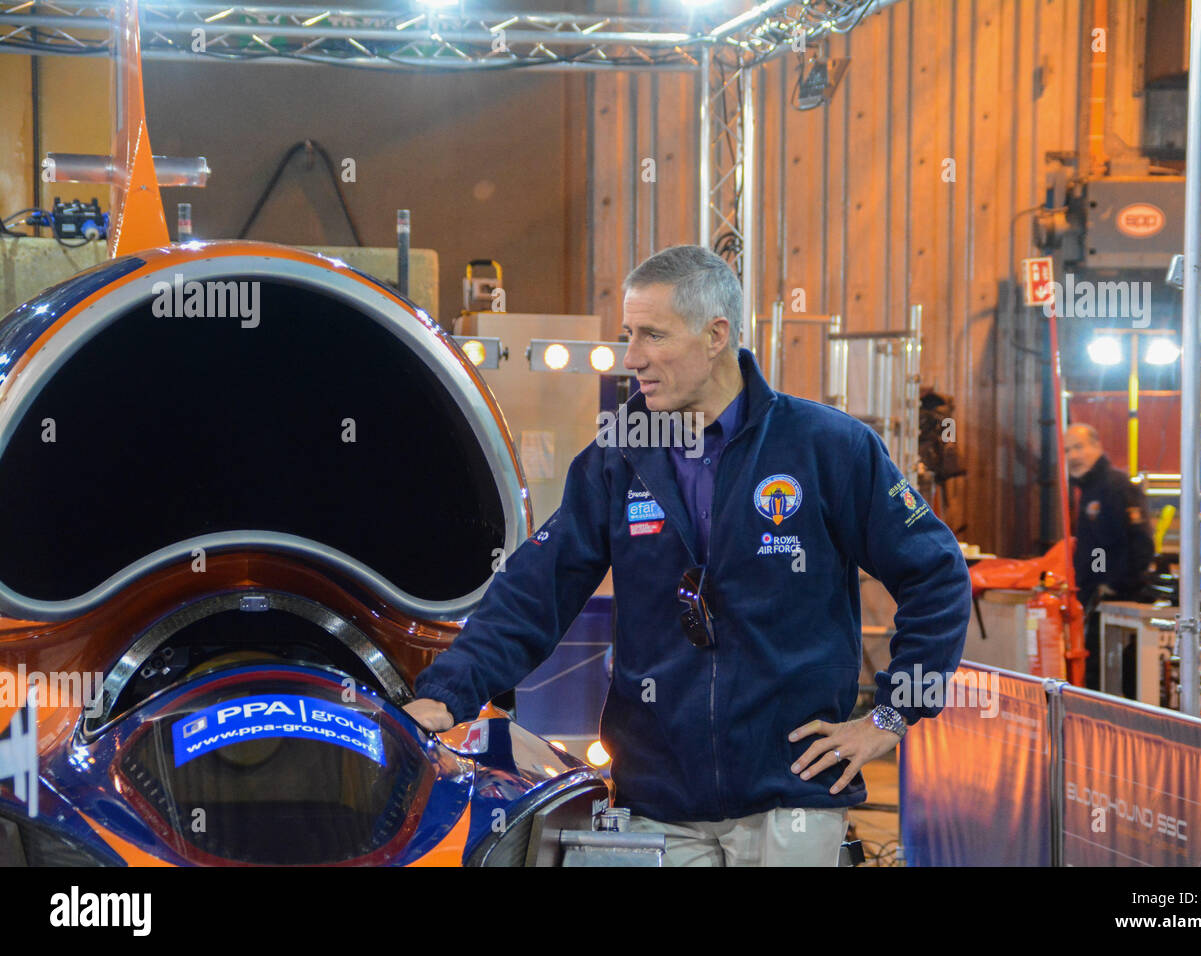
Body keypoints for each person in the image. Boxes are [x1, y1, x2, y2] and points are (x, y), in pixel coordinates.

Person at [404, 245, 971, 866]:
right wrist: (452, 690)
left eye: (653, 335)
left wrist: (890, 716)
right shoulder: (617, 457)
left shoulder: (826, 448)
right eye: (628, 334)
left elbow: (938, 574)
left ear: (715, 335)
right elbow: (537, 586)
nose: (632, 358)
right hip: (656, 804)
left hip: (791, 800)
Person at [1064, 423, 1155, 692]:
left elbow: (1141, 542)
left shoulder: (1116, 486)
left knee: (1106, 676)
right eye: (1067, 450)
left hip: (1115, 602)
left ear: (1097, 446)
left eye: (1079, 447)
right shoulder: (1086, 491)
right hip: (1092, 600)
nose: (1072, 456)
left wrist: (1114, 585)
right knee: (1093, 672)